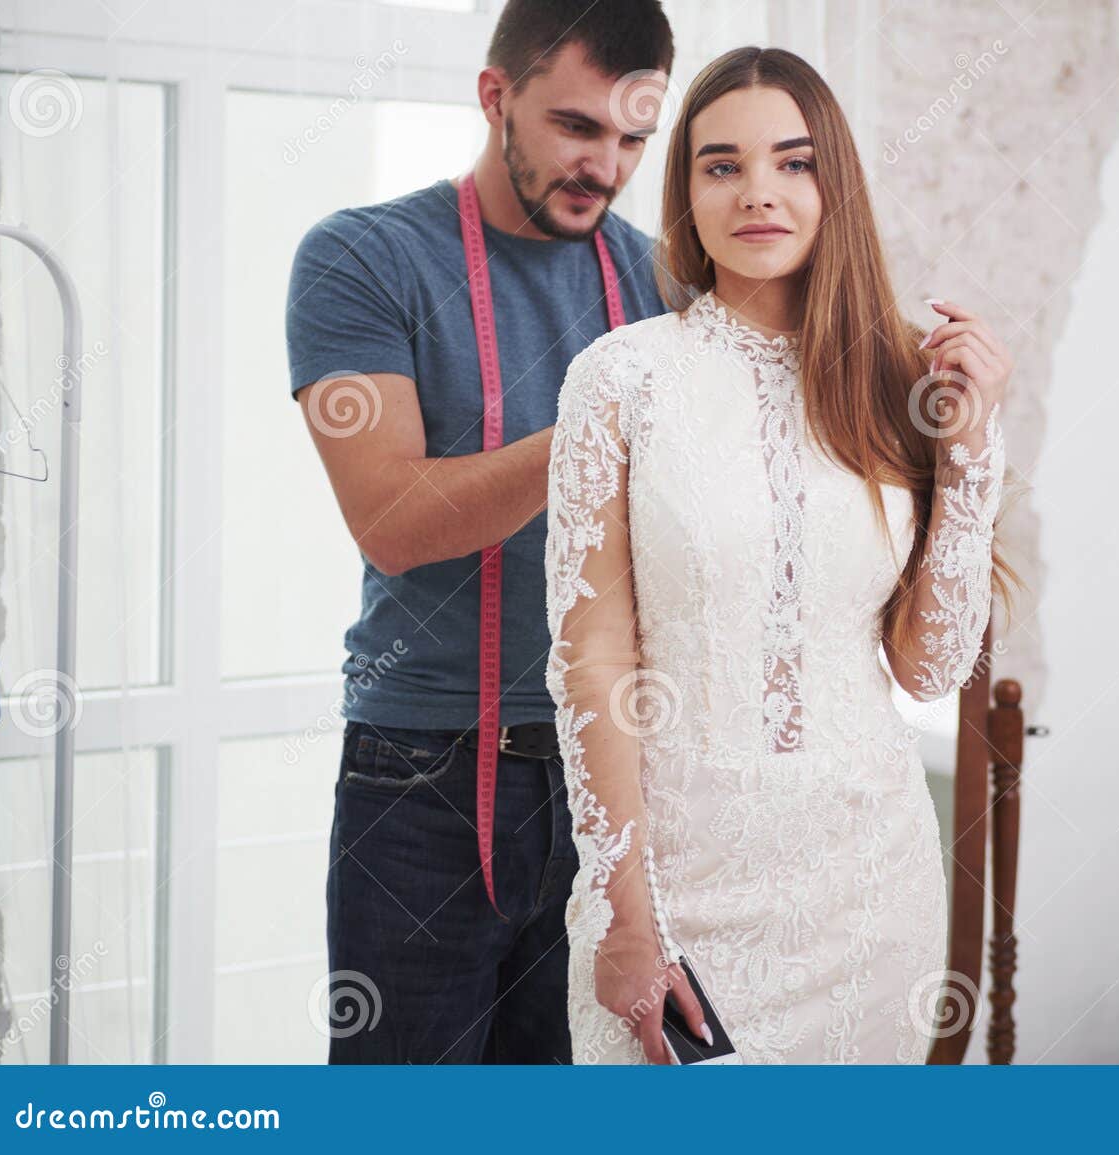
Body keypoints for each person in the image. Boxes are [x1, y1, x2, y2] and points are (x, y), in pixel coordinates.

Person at [544, 45, 1022, 1064]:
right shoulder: (621, 380)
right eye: (721, 166)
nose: (758, 191)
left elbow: (927, 666)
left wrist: (973, 454)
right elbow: (591, 661)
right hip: (674, 887)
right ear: (686, 193)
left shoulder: (901, 374)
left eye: (792, 162)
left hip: (867, 888)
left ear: (831, 183)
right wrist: (626, 915)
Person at [284, 0, 673, 1063]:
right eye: (576, 127)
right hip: (421, 780)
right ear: (494, 95)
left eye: (635, 137)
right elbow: (395, 523)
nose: (606, 165)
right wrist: (600, 423)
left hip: (615, 773)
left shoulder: (660, 280)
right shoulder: (362, 259)